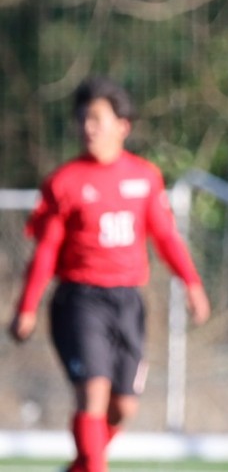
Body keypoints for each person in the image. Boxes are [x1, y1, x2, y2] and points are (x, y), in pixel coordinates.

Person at [8, 76, 211, 472]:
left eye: (96, 119)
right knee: (93, 396)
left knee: (123, 407)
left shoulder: (144, 177)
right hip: (80, 301)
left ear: (123, 126)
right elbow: (46, 250)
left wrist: (192, 283)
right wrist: (26, 307)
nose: (88, 128)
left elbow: (165, 237)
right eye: (82, 119)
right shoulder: (64, 182)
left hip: (128, 302)